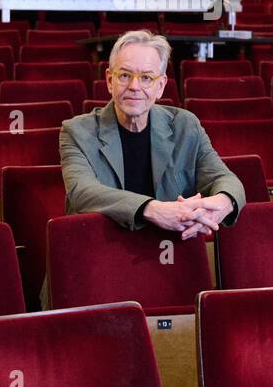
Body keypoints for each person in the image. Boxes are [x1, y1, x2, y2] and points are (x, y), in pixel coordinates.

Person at [59, 30, 245, 239]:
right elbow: (82, 192)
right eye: (124, 75)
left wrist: (223, 201)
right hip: (100, 253)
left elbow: (224, 178)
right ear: (110, 81)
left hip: (167, 254)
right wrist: (154, 209)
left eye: (146, 77)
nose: (134, 86)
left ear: (161, 86)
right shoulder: (77, 132)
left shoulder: (185, 126)